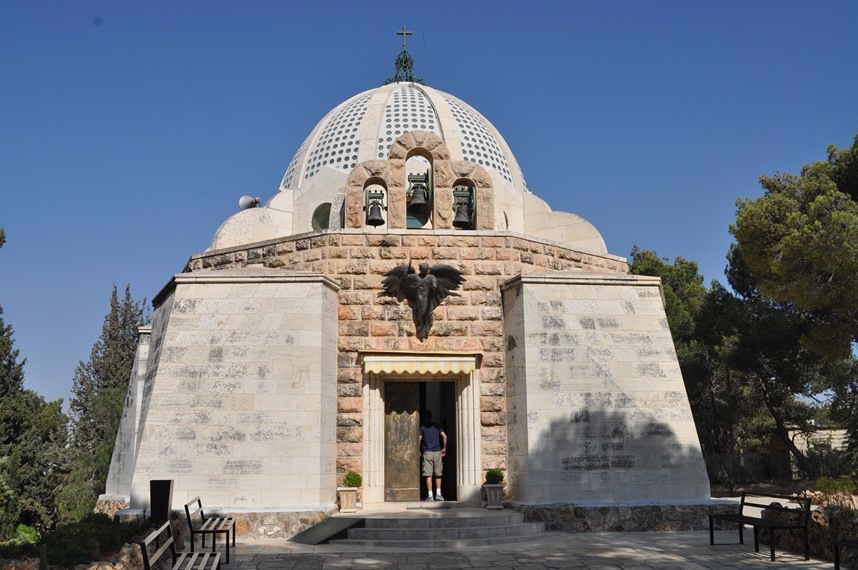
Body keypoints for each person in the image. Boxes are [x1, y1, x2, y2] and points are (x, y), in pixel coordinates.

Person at [418, 410, 447, 501]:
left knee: (428, 474)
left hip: (427, 452)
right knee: (438, 474)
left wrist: (418, 450)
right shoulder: (437, 426)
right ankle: (438, 494)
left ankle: (430, 495)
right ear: (431, 416)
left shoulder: (422, 428)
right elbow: (445, 436)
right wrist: (444, 448)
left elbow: (419, 439)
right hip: (437, 452)